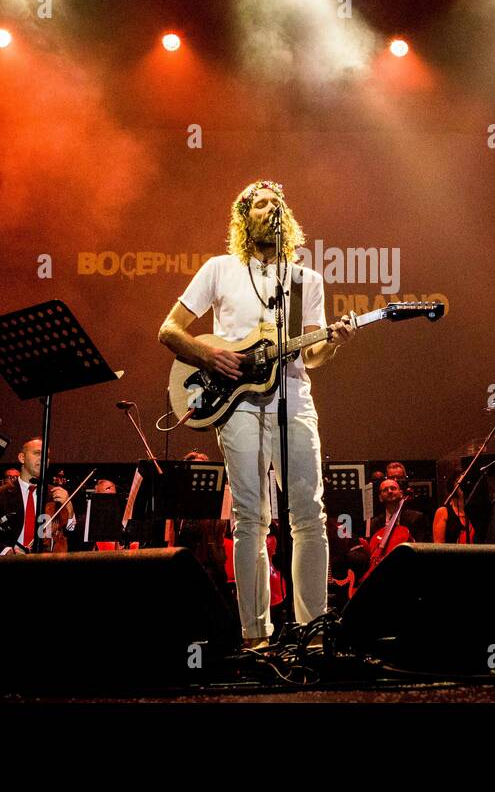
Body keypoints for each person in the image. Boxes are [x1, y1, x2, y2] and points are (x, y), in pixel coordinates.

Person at [158, 180, 356, 647]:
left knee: (309, 512)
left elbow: (310, 356)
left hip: (294, 396)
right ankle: (255, 635)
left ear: (285, 216)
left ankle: (311, 631)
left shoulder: (307, 279)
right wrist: (208, 356)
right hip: (237, 401)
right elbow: (169, 329)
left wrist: (333, 342)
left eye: (276, 203)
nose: (270, 209)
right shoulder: (220, 269)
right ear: (244, 218)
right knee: (251, 516)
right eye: (259, 204)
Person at [0, 437, 76, 554]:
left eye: (46, 456)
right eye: (37, 453)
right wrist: (7, 551)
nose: (43, 458)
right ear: (22, 458)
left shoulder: (55, 494)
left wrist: (69, 507)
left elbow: (70, 535)